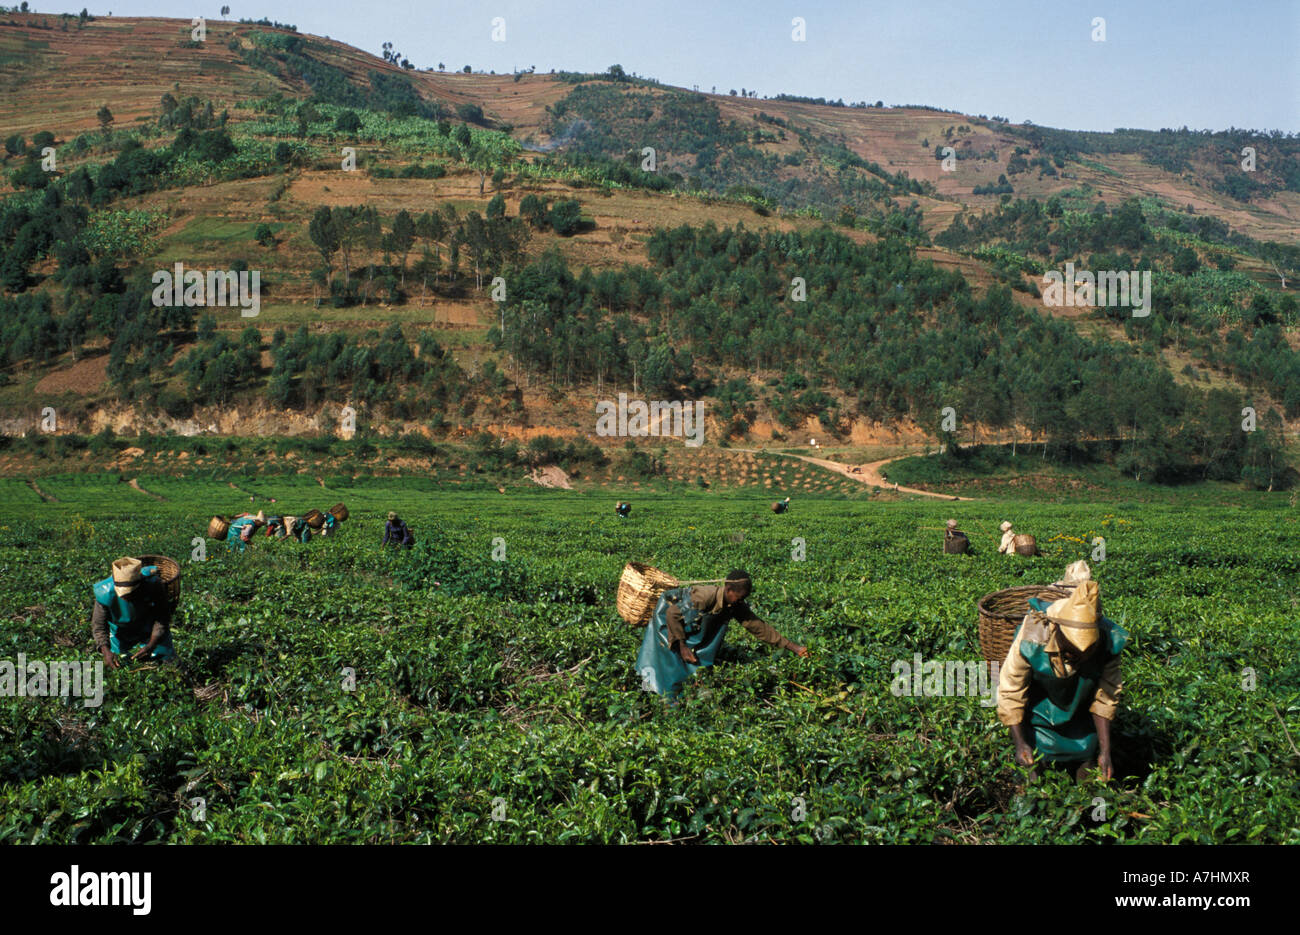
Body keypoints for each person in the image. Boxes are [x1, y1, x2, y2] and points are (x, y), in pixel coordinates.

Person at [996, 580, 1127, 781]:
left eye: (1085, 653)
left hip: (1080, 715)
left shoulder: (1107, 642)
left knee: (1089, 769)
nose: (1077, 657)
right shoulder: (1033, 635)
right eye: (1070, 650)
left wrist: (1105, 751)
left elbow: (1106, 699)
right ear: (1057, 632)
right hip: (1037, 714)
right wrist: (1020, 743)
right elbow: (1011, 690)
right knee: (1031, 770)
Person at [636, 569, 808, 698]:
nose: (741, 602)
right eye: (739, 598)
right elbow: (672, 613)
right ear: (728, 590)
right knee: (667, 663)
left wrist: (794, 647)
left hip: (690, 627)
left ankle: (683, 693)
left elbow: (758, 627)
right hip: (668, 624)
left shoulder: (735, 603)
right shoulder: (704, 597)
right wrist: (681, 645)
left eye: (743, 598)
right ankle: (662, 698)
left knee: (694, 667)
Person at [91, 557, 176, 668]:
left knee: (169, 663)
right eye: (123, 595)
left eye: (131, 594)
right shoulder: (105, 593)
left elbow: (161, 618)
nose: (126, 598)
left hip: (149, 630)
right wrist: (106, 651)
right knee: (123, 666)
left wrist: (150, 645)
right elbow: (99, 627)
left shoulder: (153, 585)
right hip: (120, 634)